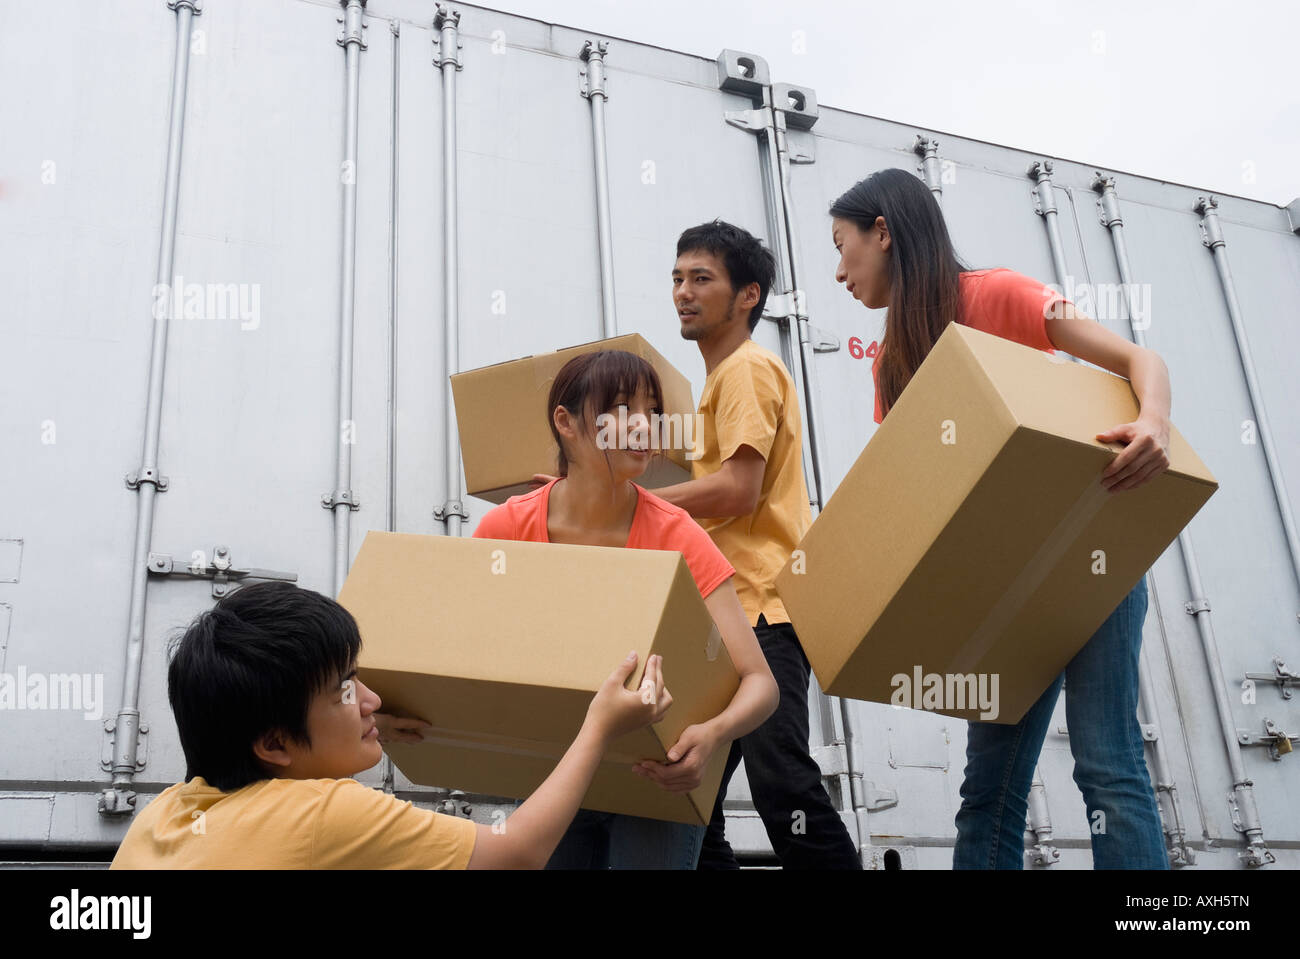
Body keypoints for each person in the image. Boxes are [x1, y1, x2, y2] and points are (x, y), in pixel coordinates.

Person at [829, 167, 1173, 869]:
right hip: (1008, 589)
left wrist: (1154, 423)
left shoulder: (997, 294)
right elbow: (913, 491)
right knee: (989, 786)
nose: (838, 271)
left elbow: (1141, 359)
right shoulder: (892, 363)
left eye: (843, 245)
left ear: (884, 233)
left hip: (1090, 558)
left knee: (1107, 759)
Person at [449, 348, 779, 870]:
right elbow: (448, 652)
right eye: (623, 409)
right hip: (552, 773)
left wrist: (711, 736)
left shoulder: (678, 534)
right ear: (567, 423)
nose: (644, 426)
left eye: (652, 411)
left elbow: (760, 682)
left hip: (656, 785)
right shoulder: (506, 531)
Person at [111, 580, 670, 869]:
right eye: (346, 691)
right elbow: (518, 853)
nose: (372, 701)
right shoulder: (323, 814)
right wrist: (598, 727)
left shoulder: (162, 814)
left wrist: (350, 723)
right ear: (275, 743)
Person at [651, 220, 863, 870]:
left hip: (764, 610)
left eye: (702, 278)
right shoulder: (718, 383)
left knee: (781, 783)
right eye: (677, 279)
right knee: (695, 804)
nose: (684, 292)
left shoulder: (747, 370)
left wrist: (640, 507)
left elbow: (739, 490)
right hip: (728, 614)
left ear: (748, 295)